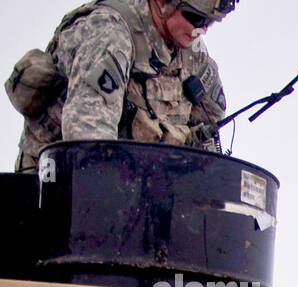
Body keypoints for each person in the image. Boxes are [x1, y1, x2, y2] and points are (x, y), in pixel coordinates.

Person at [8, 0, 235, 174]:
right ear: (163, 3)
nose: (202, 30)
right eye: (195, 18)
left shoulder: (192, 52)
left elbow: (209, 123)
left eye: (210, 22)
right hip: (58, 188)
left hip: (135, 191)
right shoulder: (110, 33)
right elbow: (88, 135)